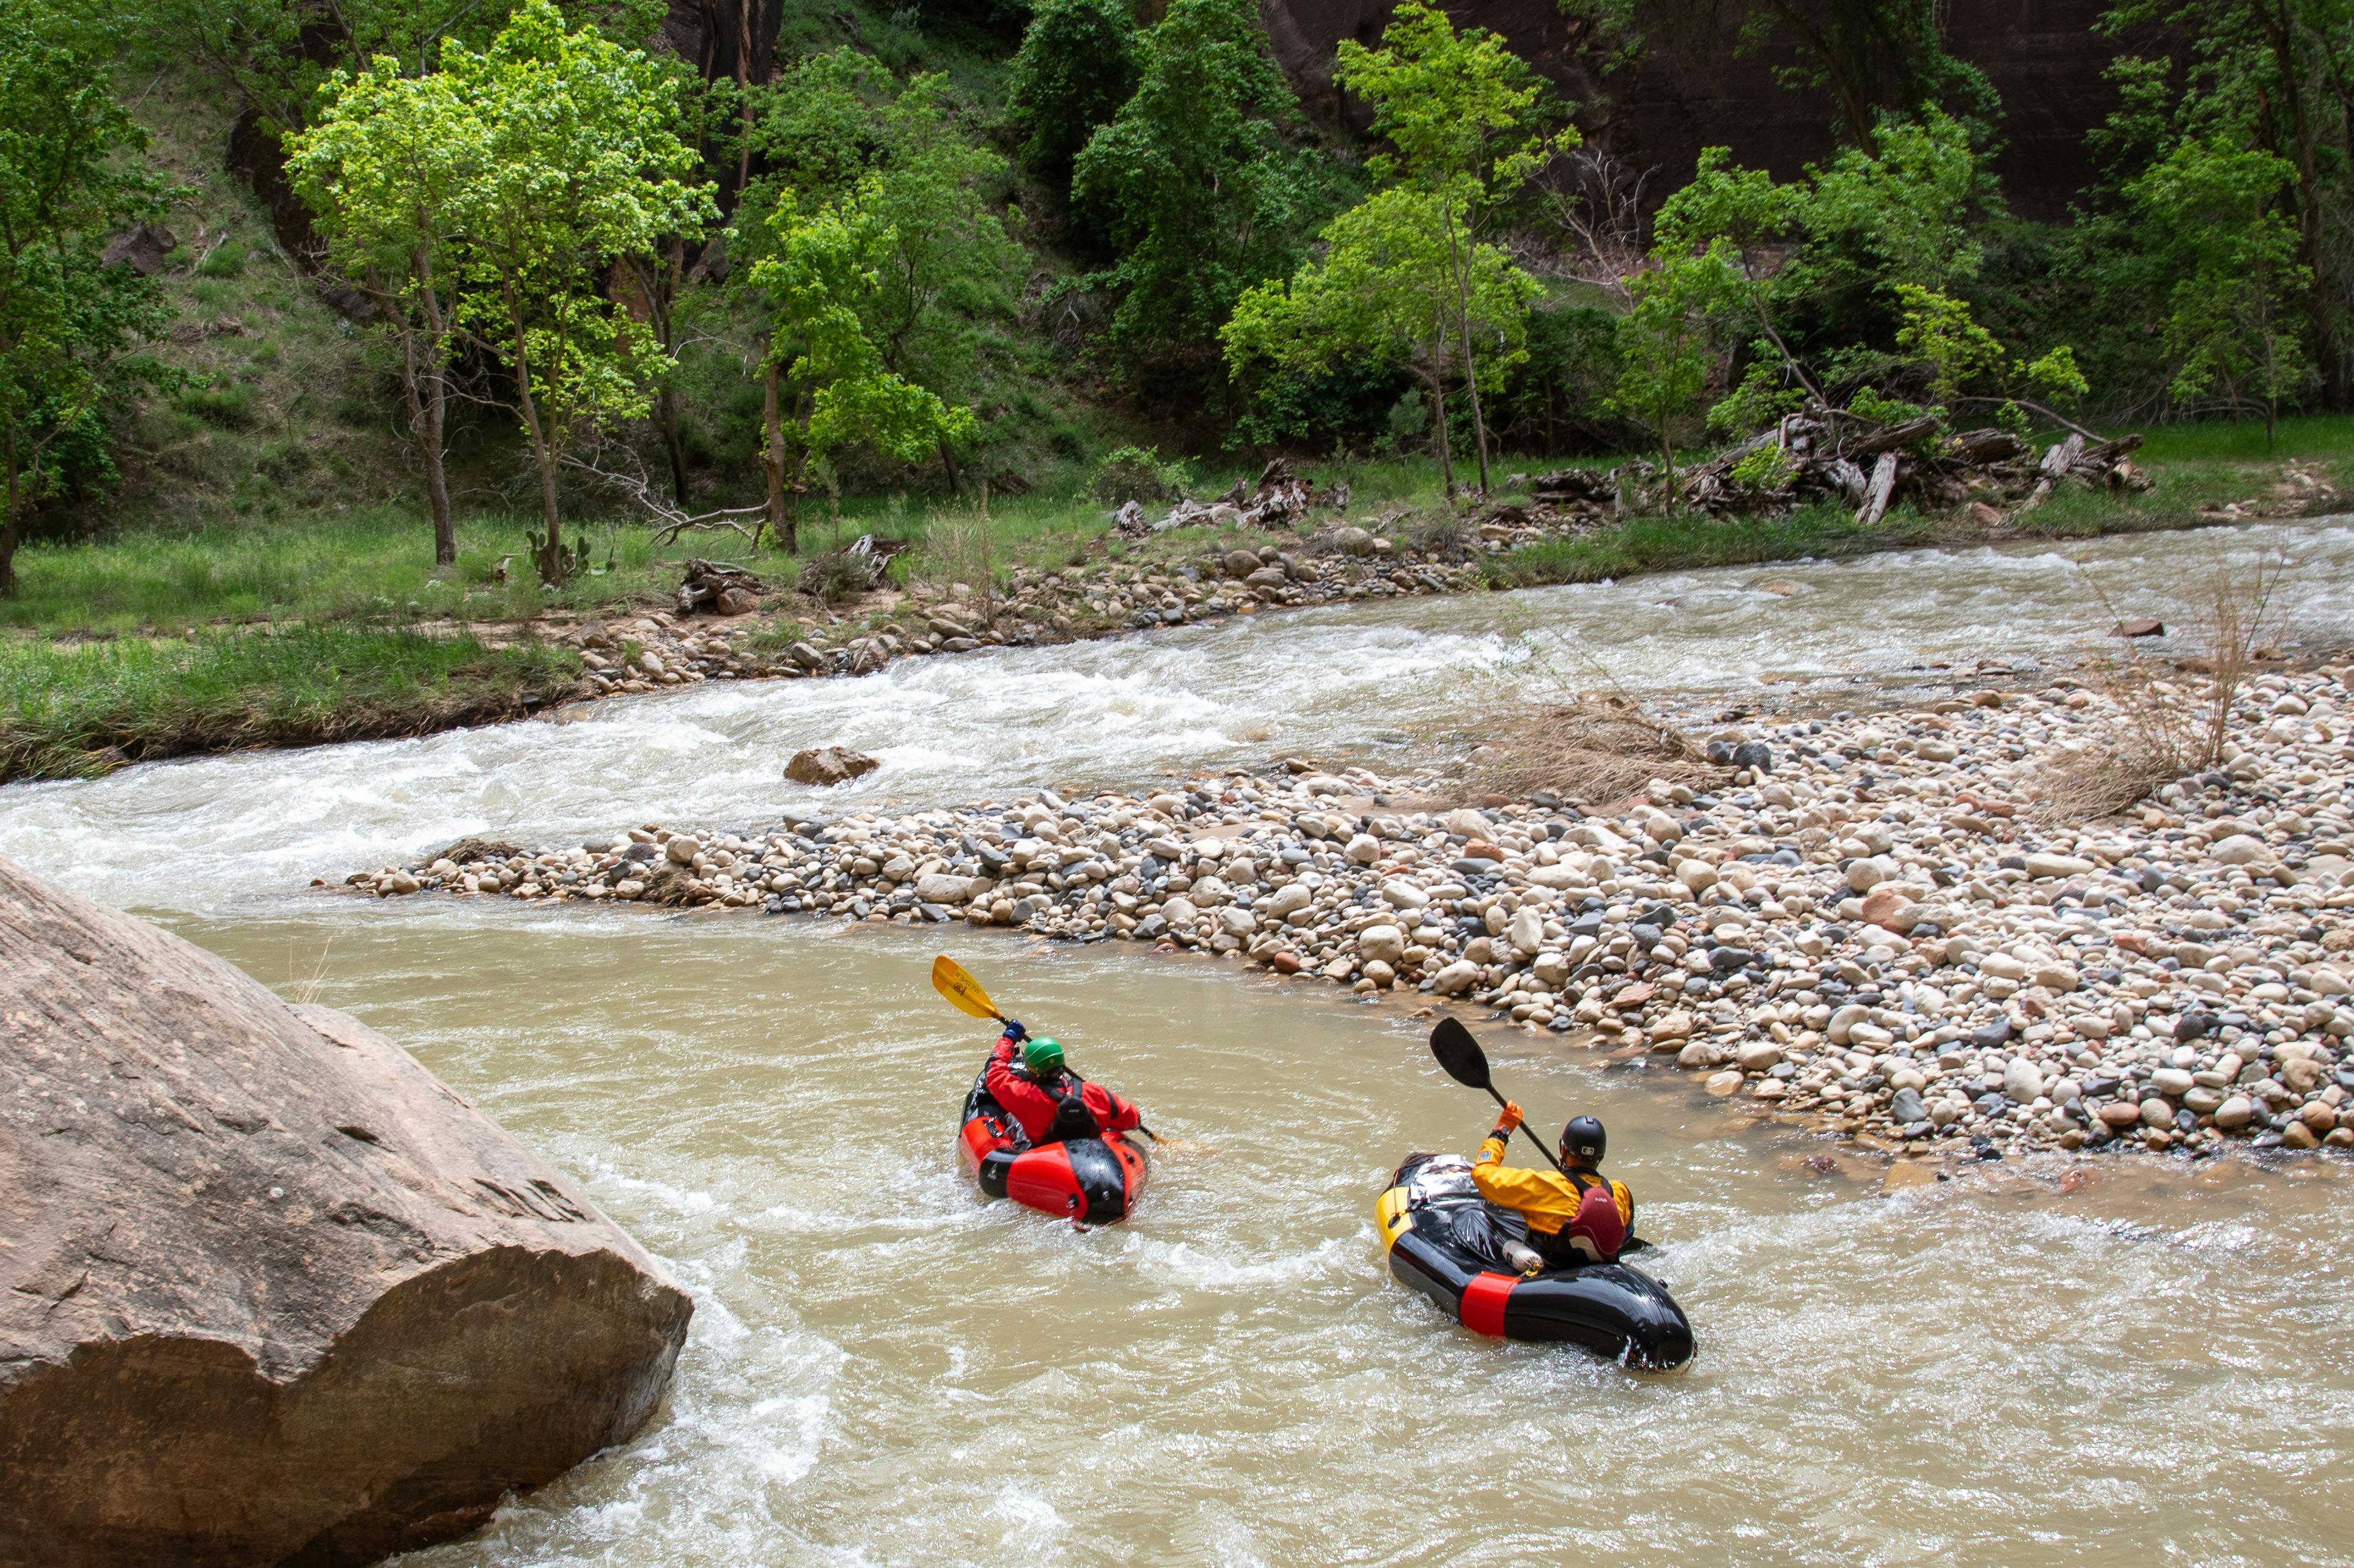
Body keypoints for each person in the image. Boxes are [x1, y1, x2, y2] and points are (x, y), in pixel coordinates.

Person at [1470, 1106, 1634, 1273]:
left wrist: (1500, 1132)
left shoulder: (1546, 1185)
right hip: (1603, 1273)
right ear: (1600, 1157)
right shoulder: (1619, 1192)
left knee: (1509, 1245)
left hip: (1553, 1275)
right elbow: (1626, 1234)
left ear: (1563, 1150)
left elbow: (1483, 1175)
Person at [985, 1019, 1142, 1147]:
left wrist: (1009, 1038)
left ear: (1032, 1070)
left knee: (1011, 1119)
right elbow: (1133, 1118)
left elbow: (994, 1074)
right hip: (1093, 1153)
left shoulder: (1023, 1094)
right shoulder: (1093, 1091)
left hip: (1046, 1157)